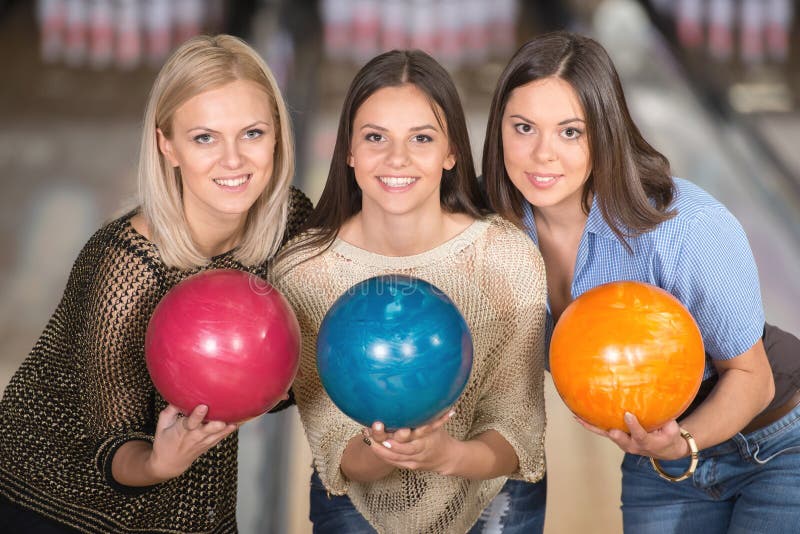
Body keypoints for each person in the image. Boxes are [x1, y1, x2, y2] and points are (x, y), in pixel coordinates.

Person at [482, 30, 800, 533]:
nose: (543, 154)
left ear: (604, 133)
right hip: (656, 444)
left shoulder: (683, 226)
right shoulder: (490, 235)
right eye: (524, 128)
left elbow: (752, 378)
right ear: (498, 127)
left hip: (777, 437)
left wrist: (684, 442)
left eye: (570, 132)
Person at [0, 34, 312, 533]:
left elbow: (288, 367)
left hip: (192, 499)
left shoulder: (289, 221)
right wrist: (159, 462)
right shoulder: (124, 264)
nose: (233, 160)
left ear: (277, 132)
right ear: (167, 145)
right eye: (204, 137)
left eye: (252, 133)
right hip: (52, 501)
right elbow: (113, 443)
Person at [273, 49, 548, 534]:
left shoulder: (505, 258)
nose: (396, 159)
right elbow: (336, 450)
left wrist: (449, 454)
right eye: (375, 137)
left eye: (421, 138)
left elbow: (516, 426)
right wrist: (390, 450)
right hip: (356, 500)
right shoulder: (305, 274)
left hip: (489, 488)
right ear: (348, 151)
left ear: (451, 152)